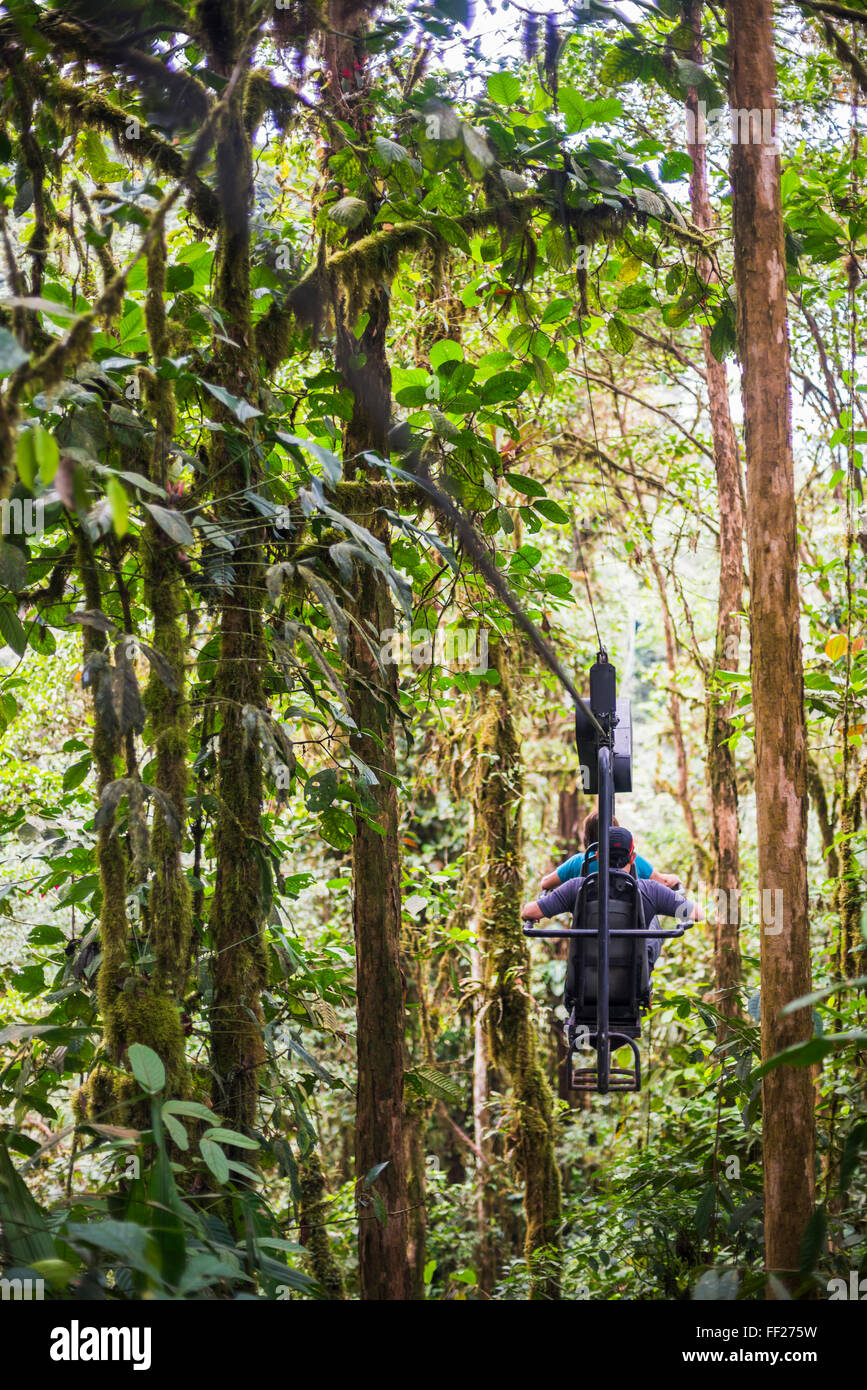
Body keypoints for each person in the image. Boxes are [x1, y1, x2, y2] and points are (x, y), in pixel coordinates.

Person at [523, 826, 703, 977]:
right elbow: (697, 913)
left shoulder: (577, 888)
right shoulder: (650, 891)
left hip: (584, 983)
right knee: (653, 924)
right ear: (633, 858)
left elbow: (529, 912)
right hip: (632, 984)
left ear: (598, 856)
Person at [540, 810, 681, 893]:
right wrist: (673, 878)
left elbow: (545, 883)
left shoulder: (579, 862)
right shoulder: (632, 861)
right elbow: (663, 882)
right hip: (627, 926)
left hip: (586, 927)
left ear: (587, 837)